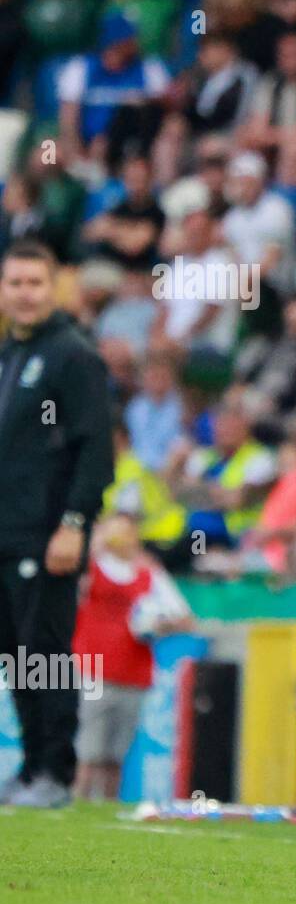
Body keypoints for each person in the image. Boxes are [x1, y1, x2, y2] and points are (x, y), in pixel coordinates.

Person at [0, 239, 114, 808]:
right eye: (15, 283)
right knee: (15, 655)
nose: (24, 294)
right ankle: (28, 767)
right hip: (7, 533)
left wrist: (73, 523)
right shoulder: (8, 354)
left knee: (45, 652)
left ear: (54, 288)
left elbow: (96, 449)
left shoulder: (73, 355)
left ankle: (55, 772)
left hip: (48, 534)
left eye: (34, 283)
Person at [71, 512, 193, 801]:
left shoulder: (150, 575)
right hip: (93, 672)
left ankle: (106, 810)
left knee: (116, 756)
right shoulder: (92, 569)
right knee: (87, 753)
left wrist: (158, 625)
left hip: (133, 674)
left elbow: (186, 618)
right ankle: (76, 805)